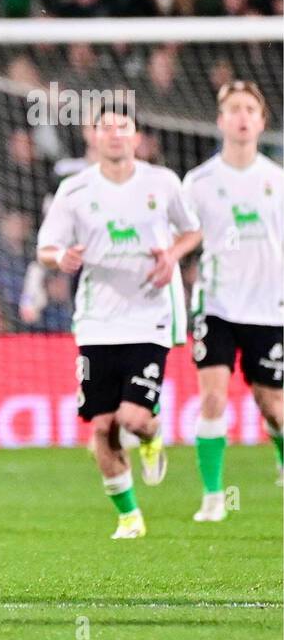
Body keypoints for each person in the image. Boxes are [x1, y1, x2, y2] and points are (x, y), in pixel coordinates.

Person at [35, 109, 201, 539]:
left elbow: (192, 231)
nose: (113, 134)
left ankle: (152, 432)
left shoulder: (162, 182)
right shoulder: (74, 190)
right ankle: (129, 516)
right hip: (96, 322)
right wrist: (61, 258)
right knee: (102, 426)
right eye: (104, 127)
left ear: (136, 136)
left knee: (132, 418)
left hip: (150, 317)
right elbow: (45, 249)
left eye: (121, 127)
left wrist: (172, 255)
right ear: (91, 136)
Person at [181, 80, 284, 518]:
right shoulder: (199, 182)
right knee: (214, 398)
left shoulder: (277, 180)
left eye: (250, 110)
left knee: (273, 405)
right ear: (221, 121)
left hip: (269, 305)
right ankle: (212, 496)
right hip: (217, 303)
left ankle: (279, 452)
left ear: (261, 122)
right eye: (234, 109)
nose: (242, 117)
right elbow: (181, 236)